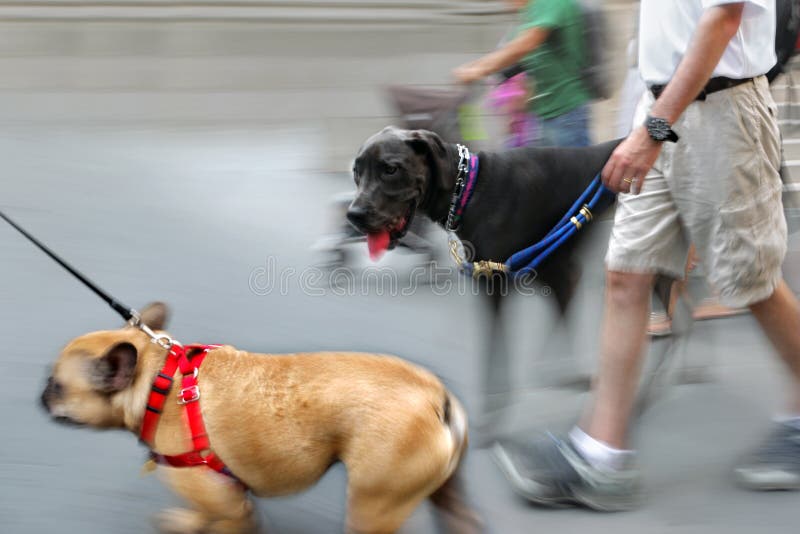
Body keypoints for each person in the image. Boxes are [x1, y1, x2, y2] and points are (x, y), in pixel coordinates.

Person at [493, 1, 800, 510]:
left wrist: (652, 129)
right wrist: (649, 121)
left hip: (720, 117)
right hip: (661, 111)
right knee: (626, 274)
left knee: (753, 282)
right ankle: (602, 457)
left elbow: (723, 19)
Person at [453, 0, 592, 147]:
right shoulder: (532, 11)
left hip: (565, 114)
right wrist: (474, 67)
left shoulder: (549, 3)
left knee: (571, 162)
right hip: (542, 114)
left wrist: (479, 70)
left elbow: (525, 44)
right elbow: (510, 51)